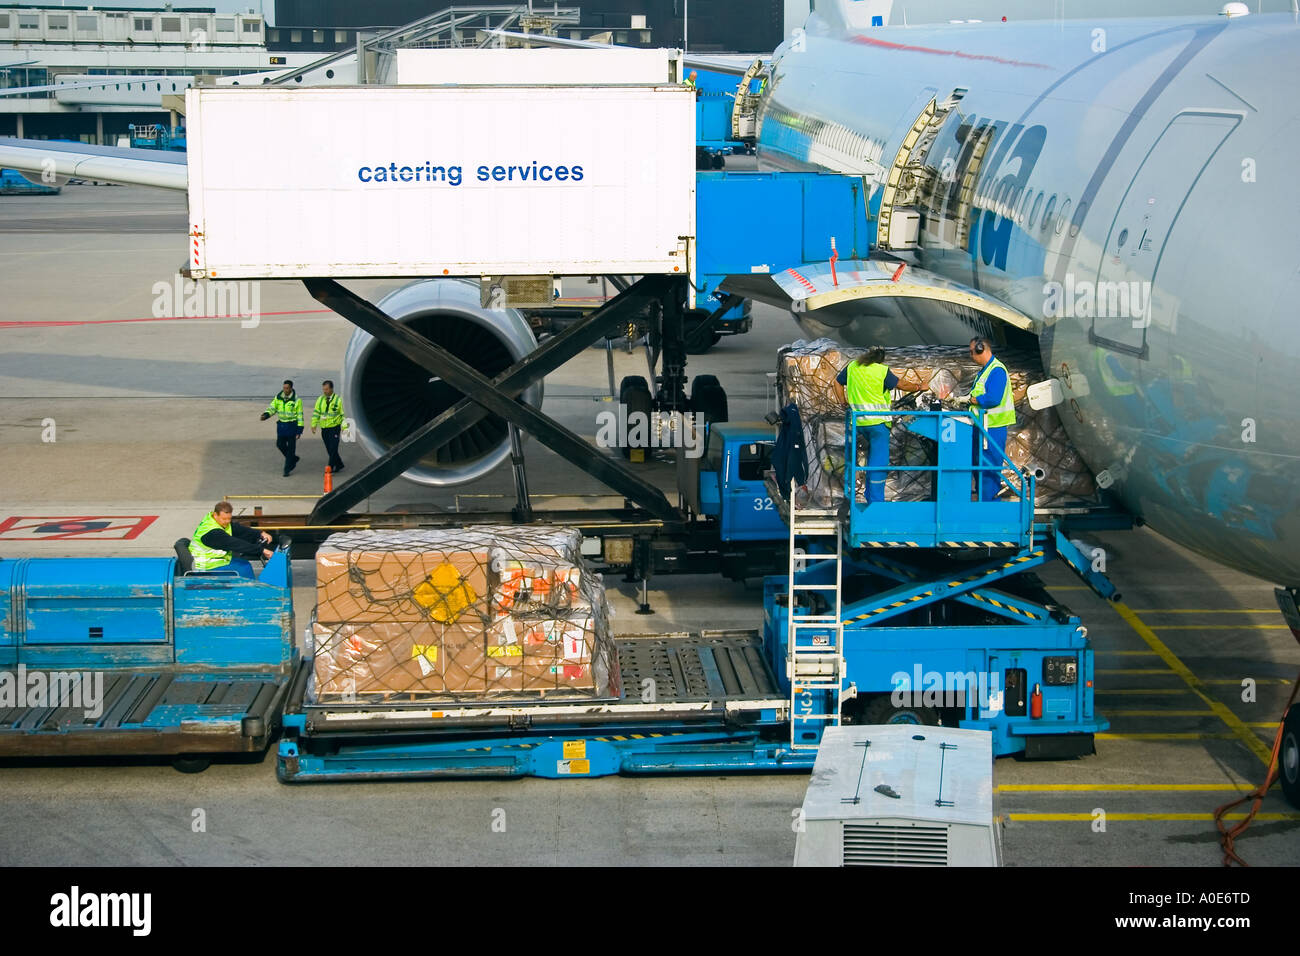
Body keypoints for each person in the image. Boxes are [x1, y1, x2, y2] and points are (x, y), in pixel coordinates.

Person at [836, 348, 925, 502]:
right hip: (878, 424)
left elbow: (837, 382)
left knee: (858, 459)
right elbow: (901, 384)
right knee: (878, 463)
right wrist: (919, 387)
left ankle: (861, 494)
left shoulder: (852, 367)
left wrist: (843, 402)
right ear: (880, 359)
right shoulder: (881, 370)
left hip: (858, 422)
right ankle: (876, 501)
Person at [965, 337, 1016, 501]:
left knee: (988, 470)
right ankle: (983, 506)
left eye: (972, 352)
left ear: (981, 349)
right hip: (983, 427)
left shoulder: (996, 370)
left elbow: (994, 398)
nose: (971, 356)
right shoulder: (986, 370)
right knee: (980, 469)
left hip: (992, 428)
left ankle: (989, 510)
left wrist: (974, 400)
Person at [189, 501, 272, 579]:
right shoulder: (212, 532)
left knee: (244, 563)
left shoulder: (216, 521)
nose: (227, 521)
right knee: (244, 568)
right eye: (224, 519)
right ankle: (249, 592)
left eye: (229, 518)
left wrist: (260, 533)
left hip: (216, 560)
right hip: (206, 566)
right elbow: (236, 544)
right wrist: (263, 551)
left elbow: (239, 529)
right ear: (215, 515)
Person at [260, 379, 304, 476]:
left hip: (292, 426)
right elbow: (272, 408)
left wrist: (299, 430)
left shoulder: (297, 400)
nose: (285, 390)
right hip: (282, 427)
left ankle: (287, 468)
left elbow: (300, 415)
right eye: (284, 388)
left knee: (291, 449)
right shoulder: (278, 398)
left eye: (287, 388)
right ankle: (293, 459)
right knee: (280, 444)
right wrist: (266, 415)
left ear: (291, 389)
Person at [311, 379, 346, 475]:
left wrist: (344, 427)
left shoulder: (338, 400)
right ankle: (339, 464)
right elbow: (316, 412)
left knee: (333, 448)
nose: (325, 391)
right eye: (323, 389)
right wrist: (314, 425)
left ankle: (329, 468)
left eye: (326, 389)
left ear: (331, 389)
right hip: (324, 428)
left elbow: (343, 414)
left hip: (334, 428)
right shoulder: (320, 399)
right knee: (329, 449)